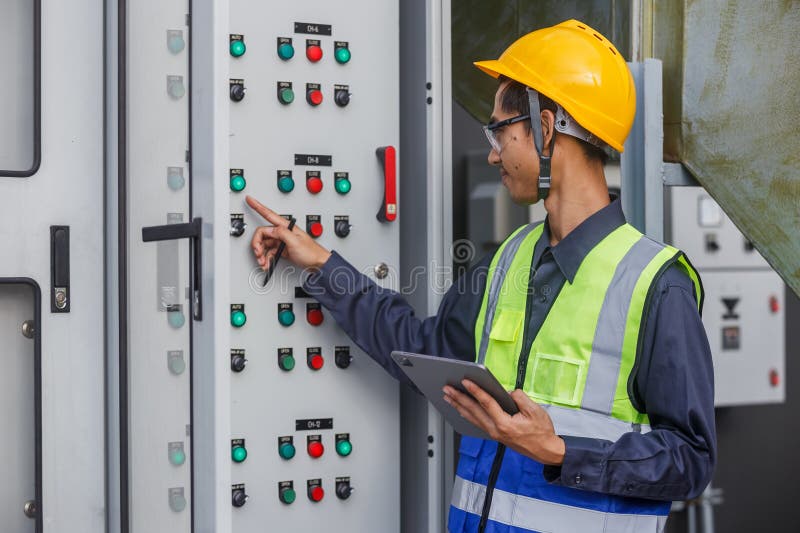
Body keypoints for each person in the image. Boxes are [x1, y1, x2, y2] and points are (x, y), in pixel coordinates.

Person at [245, 19, 715, 533]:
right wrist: (321, 265)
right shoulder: (506, 261)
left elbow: (690, 461)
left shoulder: (657, 283)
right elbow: (418, 350)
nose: (492, 152)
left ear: (546, 125)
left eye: (499, 130)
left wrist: (558, 450)